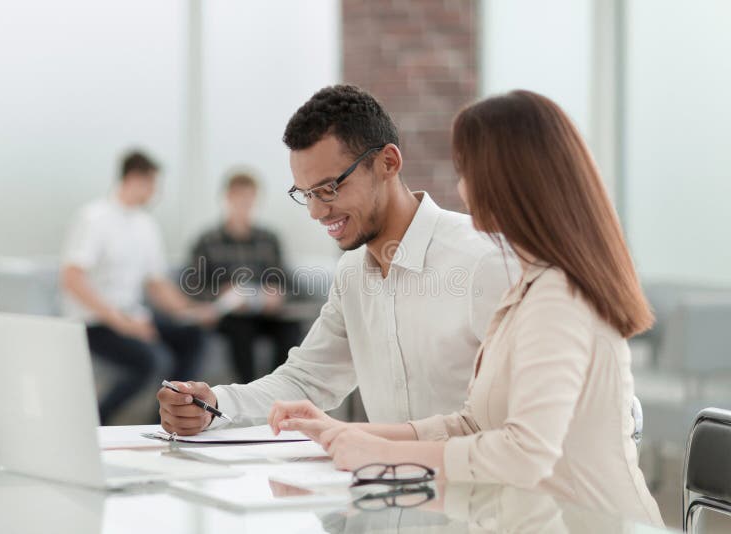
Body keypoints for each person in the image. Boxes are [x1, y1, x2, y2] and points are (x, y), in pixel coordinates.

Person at [267, 90, 664, 525]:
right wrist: (346, 434)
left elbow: (524, 453)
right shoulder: (527, 287)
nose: (461, 188)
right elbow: (474, 425)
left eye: (468, 171)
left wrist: (378, 453)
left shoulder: (556, 294)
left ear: (515, 180)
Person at [157, 85, 517, 435]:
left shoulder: (483, 261)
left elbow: (524, 424)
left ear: (387, 163)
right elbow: (308, 378)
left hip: (477, 490)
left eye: (330, 188)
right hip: (388, 485)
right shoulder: (352, 274)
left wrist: (365, 443)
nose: (316, 211)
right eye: (306, 194)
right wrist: (214, 405)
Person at [61, 150, 216, 424]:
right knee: (154, 359)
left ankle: (164, 423)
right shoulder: (94, 218)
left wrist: (191, 310)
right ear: (133, 178)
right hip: (96, 322)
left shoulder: (145, 225)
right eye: (152, 185)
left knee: (193, 337)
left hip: (132, 315)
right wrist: (121, 322)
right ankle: (95, 422)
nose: (154, 193)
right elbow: (72, 278)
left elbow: (156, 283)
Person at [186, 171, 301, 383]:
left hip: (265, 313)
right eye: (239, 198)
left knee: (290, 328)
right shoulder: (207, 241)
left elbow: (288, 283)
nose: (245, 205)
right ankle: (248, 390)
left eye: (249, 199)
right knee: (241, 328)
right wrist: (221, 294)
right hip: (231, 317)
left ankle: (278, 388)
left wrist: (276, 294)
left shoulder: (269, 239)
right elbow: (193, 287)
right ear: (227, 198)